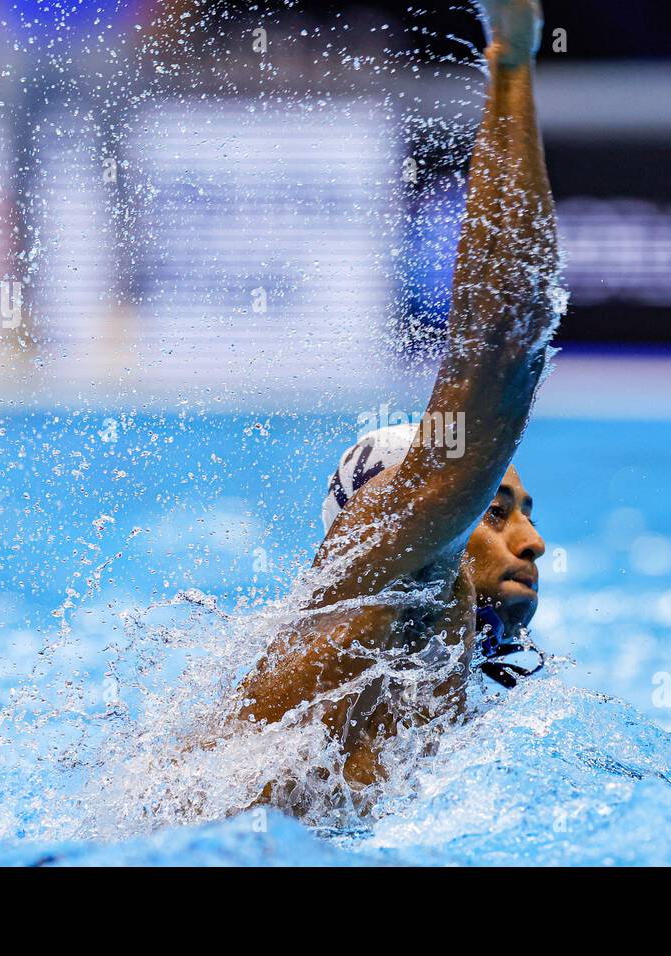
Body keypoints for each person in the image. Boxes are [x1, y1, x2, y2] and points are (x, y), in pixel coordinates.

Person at [235, 0, 561, 790]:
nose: (532, 544)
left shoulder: (435, 676)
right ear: (390, 513)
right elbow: (500, 344)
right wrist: (511, 67)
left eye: (520, 511)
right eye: (491, 508)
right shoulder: (378, 578)